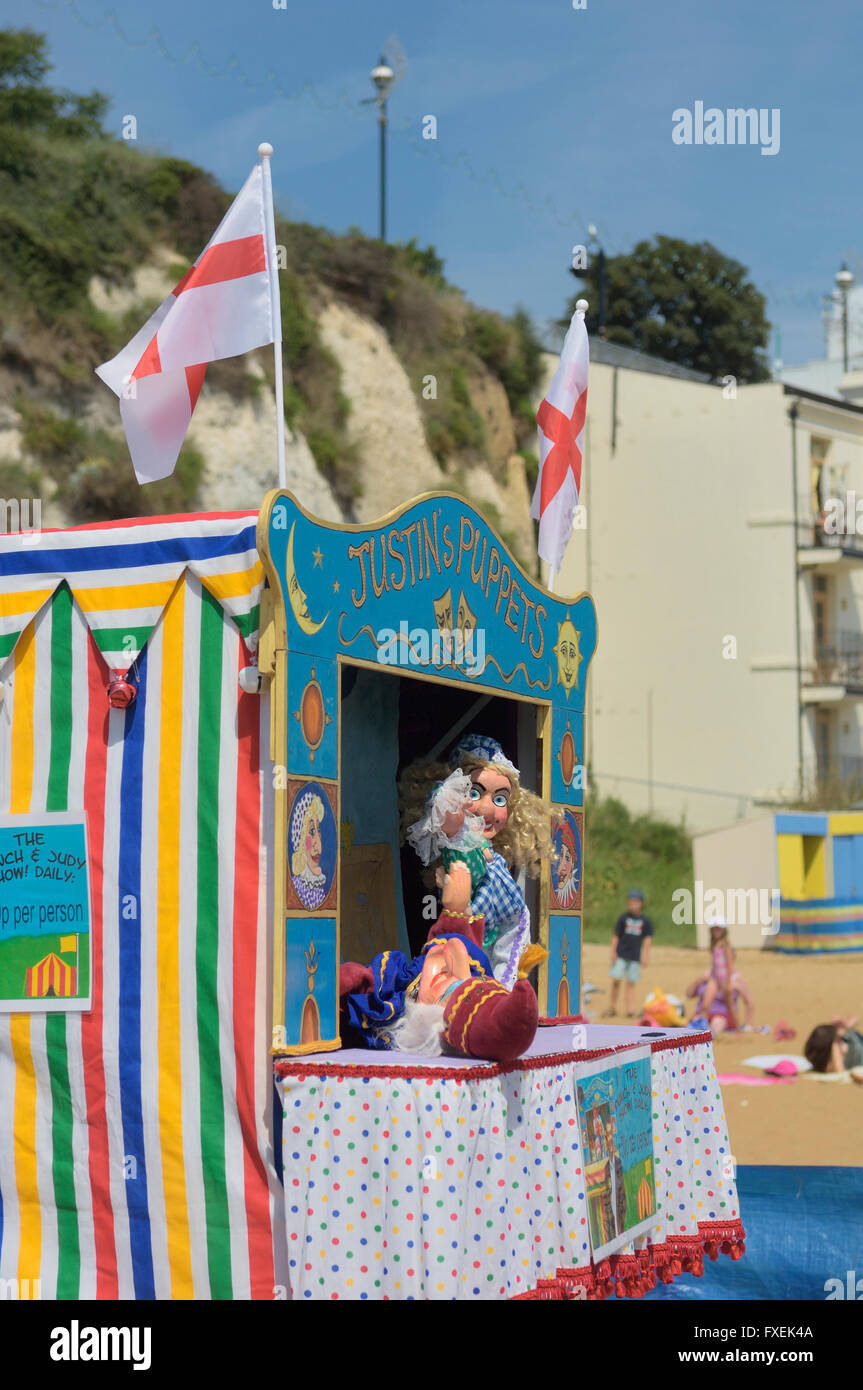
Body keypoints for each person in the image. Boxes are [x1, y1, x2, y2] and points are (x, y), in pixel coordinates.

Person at [339, 862, 538, 1060]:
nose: (457, 950)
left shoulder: (383, 995)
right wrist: (456, 912)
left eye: (448, 991)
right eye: (468, 974)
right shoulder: (413, 980)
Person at [400, 733, 554, 988]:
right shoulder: (454, 844)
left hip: (498, 932)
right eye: (474, 792)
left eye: (500, 799)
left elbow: (511, 920)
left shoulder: (490, 858)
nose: (488, 810)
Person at [605, 890, 653, 1018]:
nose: (632, 905)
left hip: (635, 957)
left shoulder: (645, 921)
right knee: (616, 980)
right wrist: (613, 951)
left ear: (641, 904)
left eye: (635, 902)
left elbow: (647, 940)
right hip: (621, 954)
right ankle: (612, 1007)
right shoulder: (623, 918)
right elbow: (616, 936)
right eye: (631, 902)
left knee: (631, 983)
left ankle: (630, 1010)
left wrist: (645, 956)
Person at [687, 969, 754, 1035]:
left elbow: (749, 1001)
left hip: (724, 1015)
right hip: (702, 1013)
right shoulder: (708, 974)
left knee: (717, 1022)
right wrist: (699, 980)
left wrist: (748, 1025)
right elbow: (689, 994)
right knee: (695, 1021)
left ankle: (709, 1036)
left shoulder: (735, 977)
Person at [699, 921, 738, 1032]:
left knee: (730, 1007)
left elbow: (730, 966)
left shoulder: (726, 947)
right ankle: (702, 1029)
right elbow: (715, 965)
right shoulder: (714, 946)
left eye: (719, 929)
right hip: (715, 979)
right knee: (705, 1005)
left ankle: (739, 1030)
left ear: (724, 931)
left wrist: (728, 981)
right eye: (714, 929)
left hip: (724, 979)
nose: (716, 932)